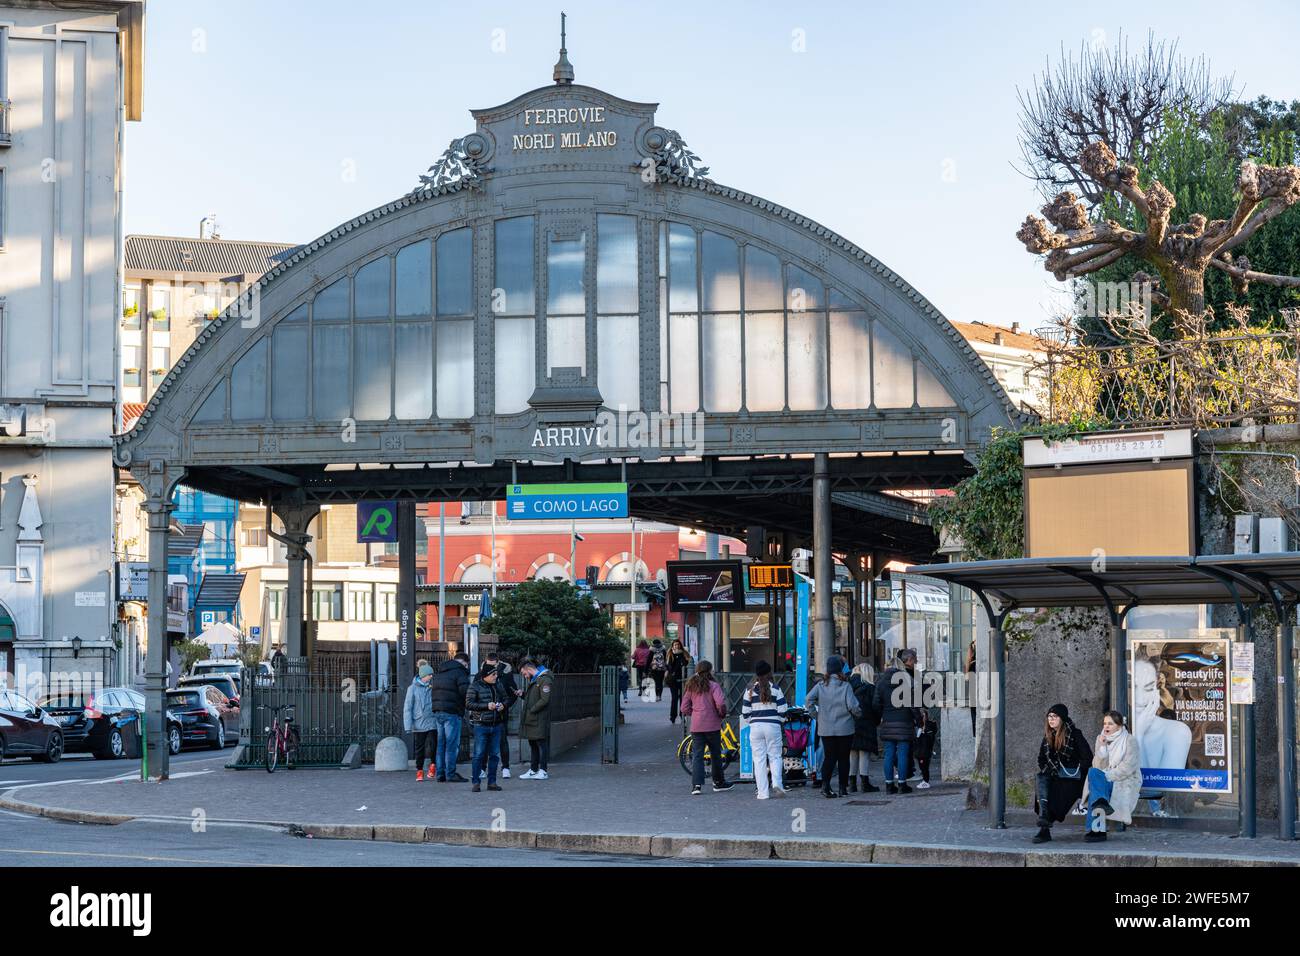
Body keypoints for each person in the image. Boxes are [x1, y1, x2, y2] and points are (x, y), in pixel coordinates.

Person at [1032, 703, 1093, 844]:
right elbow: (1041, 759)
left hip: (1074, 777)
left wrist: (1072, 769)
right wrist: (1050, 769)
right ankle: (1044, 822)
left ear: (1063, 718)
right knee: (1041, 780)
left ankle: (1044, 826)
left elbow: (1087, 757)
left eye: (1055, 716)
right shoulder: (1048, 736)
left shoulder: (1075, 734)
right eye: (1049, 716)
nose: (1051, 719)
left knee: (1059, 791)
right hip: (1055, 774)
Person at [804, 656, 861, 798]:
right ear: (840, 669)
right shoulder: (846, 686)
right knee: (843, 758)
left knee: (829, 757)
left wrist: (816, 716)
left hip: (826, 728)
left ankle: (825, 786)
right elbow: (853, 706)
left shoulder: (821, 685)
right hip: (845, 728)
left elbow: (808, 699)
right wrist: (858, 714)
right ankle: (842, 788)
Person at [1082, 710, 1142, 842]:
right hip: (1105, 777)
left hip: (1124, 778)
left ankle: (1097, 830)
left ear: (1119, 726)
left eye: (1110, 724)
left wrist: (1108, 775)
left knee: (1097, 788)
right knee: (1093, 773)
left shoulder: (1130, 740)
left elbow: (1128, 767)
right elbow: (1097, 765)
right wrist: (1102, 748)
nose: (1106, 727)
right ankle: (1101, 805)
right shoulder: (1101, 739)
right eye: (1104, 723)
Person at [680, 660, 735, 795]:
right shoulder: (714, 686)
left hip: (697, 726)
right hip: (712, 725)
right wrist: (721, 713)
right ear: (709, 671)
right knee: (715, 754)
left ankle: (696, 786)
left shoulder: (691, 686)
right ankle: (718, 783)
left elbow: (683, 707)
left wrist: (695, 714)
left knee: (698, 755)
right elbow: (721, 703)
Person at [1132, 657, 1192, 771]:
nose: (1140, 699)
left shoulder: (1177, 732)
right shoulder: (1114, 729)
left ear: (1157, 691)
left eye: (1149, 688)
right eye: (1132, 688)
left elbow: (1157, 782)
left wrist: (1138, 735)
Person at [874, 648, 920, 794]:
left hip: (887, 722)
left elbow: (876, 704)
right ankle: (902, 784)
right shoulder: (906, 681)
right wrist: (918, 720)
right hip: (904, 722)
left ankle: (888, 785)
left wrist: (881, 716)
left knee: (888, 754)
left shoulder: (880, 683)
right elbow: (913, 704)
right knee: (903, 753)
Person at [742, 660, 788, 799]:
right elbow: (783, 710)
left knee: (759, 759)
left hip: (756, 728)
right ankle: (777, 784)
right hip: (773, 726)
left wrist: (753, 721)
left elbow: (745, 713)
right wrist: (778, 720)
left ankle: (763, 792)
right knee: (775, 756)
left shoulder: (749, 689)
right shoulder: (776, 688)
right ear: (769, 673)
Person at [428, 652, 471, 782]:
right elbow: (465, 692)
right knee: (452, 745)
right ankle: (451, 773)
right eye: (466, 665)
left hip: (438, 711)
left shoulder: (440, 672)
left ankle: (440, 774)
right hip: (452, 712)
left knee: (441, 744)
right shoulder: (460, 672)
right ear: (464, 662)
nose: (467, 667)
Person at [465, 662, 507, 792]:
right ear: (486, 675)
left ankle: (492, 782)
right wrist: (486, 706)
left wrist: (503, 706)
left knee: (494, 755)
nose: (496, 676)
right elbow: (469, 704)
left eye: (496, 674)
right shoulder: (475, 686)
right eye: (493, 674)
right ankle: (476, 782)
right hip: (481, 725)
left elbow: (506, 698)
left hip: (496, 724)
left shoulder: (498, 685)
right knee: (478, 754)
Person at [518, 658, 554, 779]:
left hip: (539, 718)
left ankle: (543, 771)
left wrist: (532, 710)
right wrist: (523, 695)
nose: (524, 676)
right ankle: (533, 770)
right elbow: (535, 697)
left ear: (529, 668)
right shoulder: (536, 680)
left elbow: (545, 699)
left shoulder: (544, 679)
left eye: (524, 673)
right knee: (533, 743)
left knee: (541, 744)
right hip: (533, 718)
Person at [486, 651, 520, 778]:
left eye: (492, 665)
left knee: (502, 740)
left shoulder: (506, 673)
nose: (490, 668)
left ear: (498, 662)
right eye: (488, 665)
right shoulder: (482, 672)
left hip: (501, 712)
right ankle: (483, 768)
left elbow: (513, 693)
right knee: (484, 741)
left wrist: (505, 706)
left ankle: (505, 767)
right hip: (486, 712)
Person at [847, 663, 880, 793]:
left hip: (850, 723)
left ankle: (852, 784)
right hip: (867, 723)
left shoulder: (848, 686)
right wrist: (876, 721)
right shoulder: (870, 688)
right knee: (864, 753)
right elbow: (876, 707)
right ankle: (865, 784)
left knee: (852, 753)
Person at [403, 662, 437, 781]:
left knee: (434, 745)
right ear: (424, 675)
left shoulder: (433, 686)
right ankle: (419, 770)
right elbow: (408, 707)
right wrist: (408, 725)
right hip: (419, 722)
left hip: (433, 720)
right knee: (420, 748)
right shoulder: (412, 689)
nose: (431, 677)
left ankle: (433, 765)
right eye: (430, 675)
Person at [664, 638, 691, 722]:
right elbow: (669, 667)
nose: (677, 646)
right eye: (675, 645)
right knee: (674, 698)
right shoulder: (670, 654)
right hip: (673, 679)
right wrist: (676, 657)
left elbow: (685, 664)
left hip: (683, 679)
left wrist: (680, 655)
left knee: (683, 698)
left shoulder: (684, 654)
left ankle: (682, 714)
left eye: (678, 644)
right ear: (673, 646)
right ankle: (673, 716)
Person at [915, 707, 938, 789]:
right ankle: (925, 780)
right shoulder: (920, 727)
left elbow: (929, 737)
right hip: (922, 751)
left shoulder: (927, 727)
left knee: (924, 766)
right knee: (923, 766)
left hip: (923, 751)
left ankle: (925, 781)